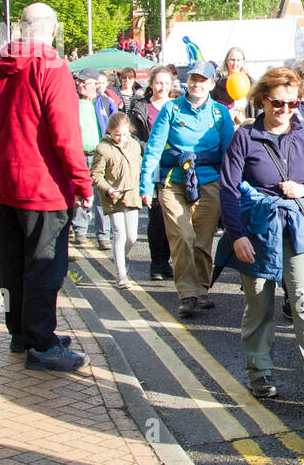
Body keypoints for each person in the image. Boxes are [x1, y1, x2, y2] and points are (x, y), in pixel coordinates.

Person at [0, 3, 91, 371]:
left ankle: (22, 334)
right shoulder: (51, 67)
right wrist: (82, 182)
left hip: (3, 183)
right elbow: (65, 134)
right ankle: (41, 343)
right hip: (42, 186)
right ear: (52, 29)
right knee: (44, 267)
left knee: (11, 265)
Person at [218, 67, 304, 409]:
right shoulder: (244, 138)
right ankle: (260, 375)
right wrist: (236, 236)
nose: (286, 110)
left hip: (297, 229)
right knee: (260, 305)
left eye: (293, 103)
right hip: (257, 230)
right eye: (278, 103)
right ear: (262, 100)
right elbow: (228, 190)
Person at [140, 59, 235, 319]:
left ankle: (202, 290)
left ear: (211, 84)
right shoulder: (170, 109)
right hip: (173, 181)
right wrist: (146, 184)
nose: (196, 84)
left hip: (208, 182)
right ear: (187, 82)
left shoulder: (220, 113)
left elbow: (229, 153)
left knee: (202, 242)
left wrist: (232, 187)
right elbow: (154, 149)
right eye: (193, 79)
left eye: (202, 80)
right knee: (183, 236)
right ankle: (187, 294)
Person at [128, 65, 176, 280]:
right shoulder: (140, 107)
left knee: (173, 216)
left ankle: (168, 260)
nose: (162, 87)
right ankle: (157, 262)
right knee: (156, 216)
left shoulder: (177, 105)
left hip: (173, 166)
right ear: (151, 84)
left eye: (166, 83)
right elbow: (132, 136)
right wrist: (148, 146)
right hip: (152, 166)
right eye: (158, 82)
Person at [91, 112, 144, 289]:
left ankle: (123, 257)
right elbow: (96, 176)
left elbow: (141, 169)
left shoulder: (135, 146)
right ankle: (121, 275)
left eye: (124, 134)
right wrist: (108, 189)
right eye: (116, 135)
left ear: (129, 130)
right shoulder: (103, 149)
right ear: (110, 132)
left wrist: (145, 191)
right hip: (113, 198)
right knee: (120, 234)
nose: (121, 139)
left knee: (132, 237)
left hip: (132, 196)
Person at [72, 68, 114, 248]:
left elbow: (114, 125)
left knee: (102, 196)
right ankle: (80, 231)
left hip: (100, 156)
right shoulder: (72, 102)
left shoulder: (105, 102)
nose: (81, 85)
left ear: (95, 84)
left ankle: (103, 235)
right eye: (79, 82)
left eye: (85, 82)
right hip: (79, 155)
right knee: (80, 193)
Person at [213, 47, 249, 122]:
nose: (235, 63)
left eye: (238, 60)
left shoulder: (249, 82)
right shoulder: (218, 83)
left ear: (243, 62)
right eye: (232, 60)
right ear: (227, 61)